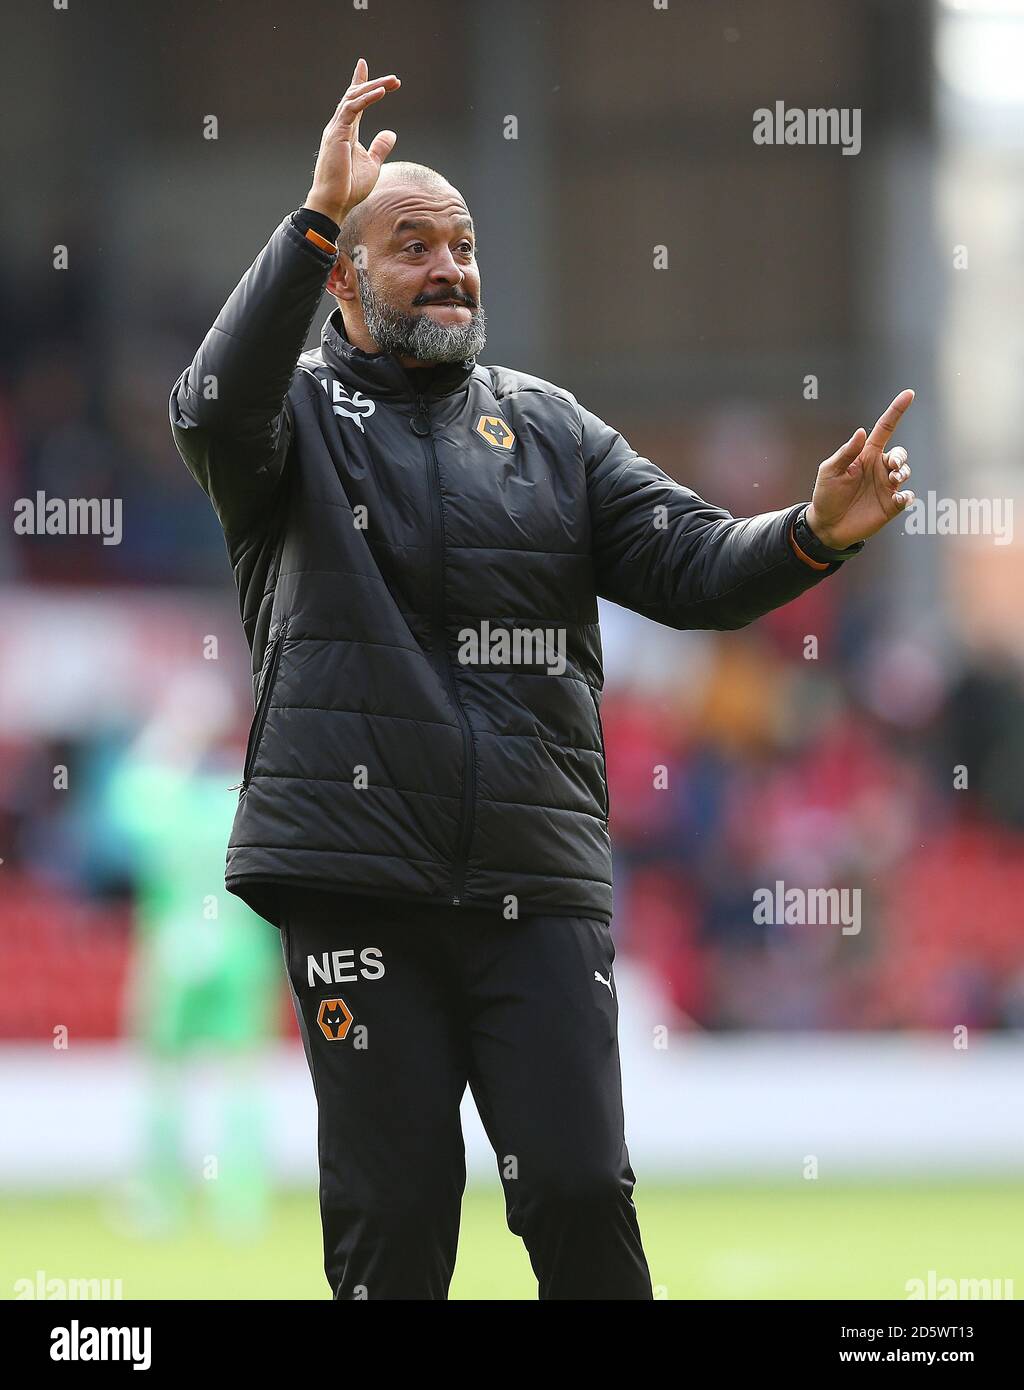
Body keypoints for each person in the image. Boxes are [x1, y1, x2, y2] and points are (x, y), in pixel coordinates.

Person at [168, 57, 916, 1299]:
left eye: (463, 247)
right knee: (393, 1221)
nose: (452, 268)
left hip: (537, 874)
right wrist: (309, 216)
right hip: (356, 875)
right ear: (341, 278)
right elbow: (205, 403)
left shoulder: (552, 428)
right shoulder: (285, 419)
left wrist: (810, 532)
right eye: (412, 246)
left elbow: (689, 566)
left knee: (576, 1189)